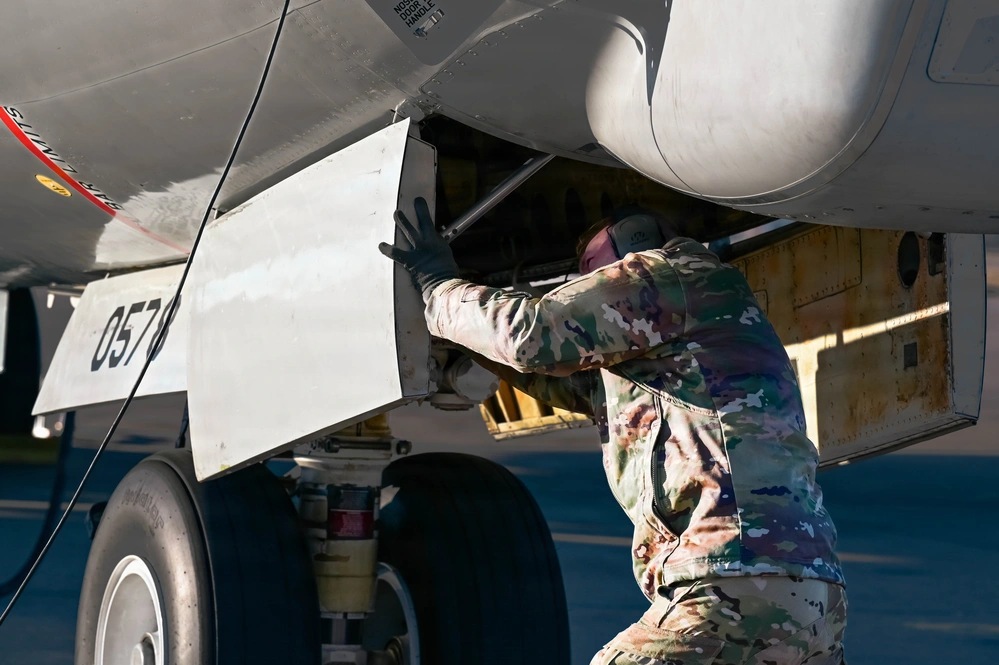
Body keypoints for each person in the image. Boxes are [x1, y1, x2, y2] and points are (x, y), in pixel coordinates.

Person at [379, 198, 847, 665]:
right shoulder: (693, 329)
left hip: (731, 579)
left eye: (588, 264)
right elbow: (567, 377)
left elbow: (531, 335)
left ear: (634, 238)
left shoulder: (667, 274)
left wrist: (438, 287)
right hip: (810, 598)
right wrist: (464, 342)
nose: (579, 283)